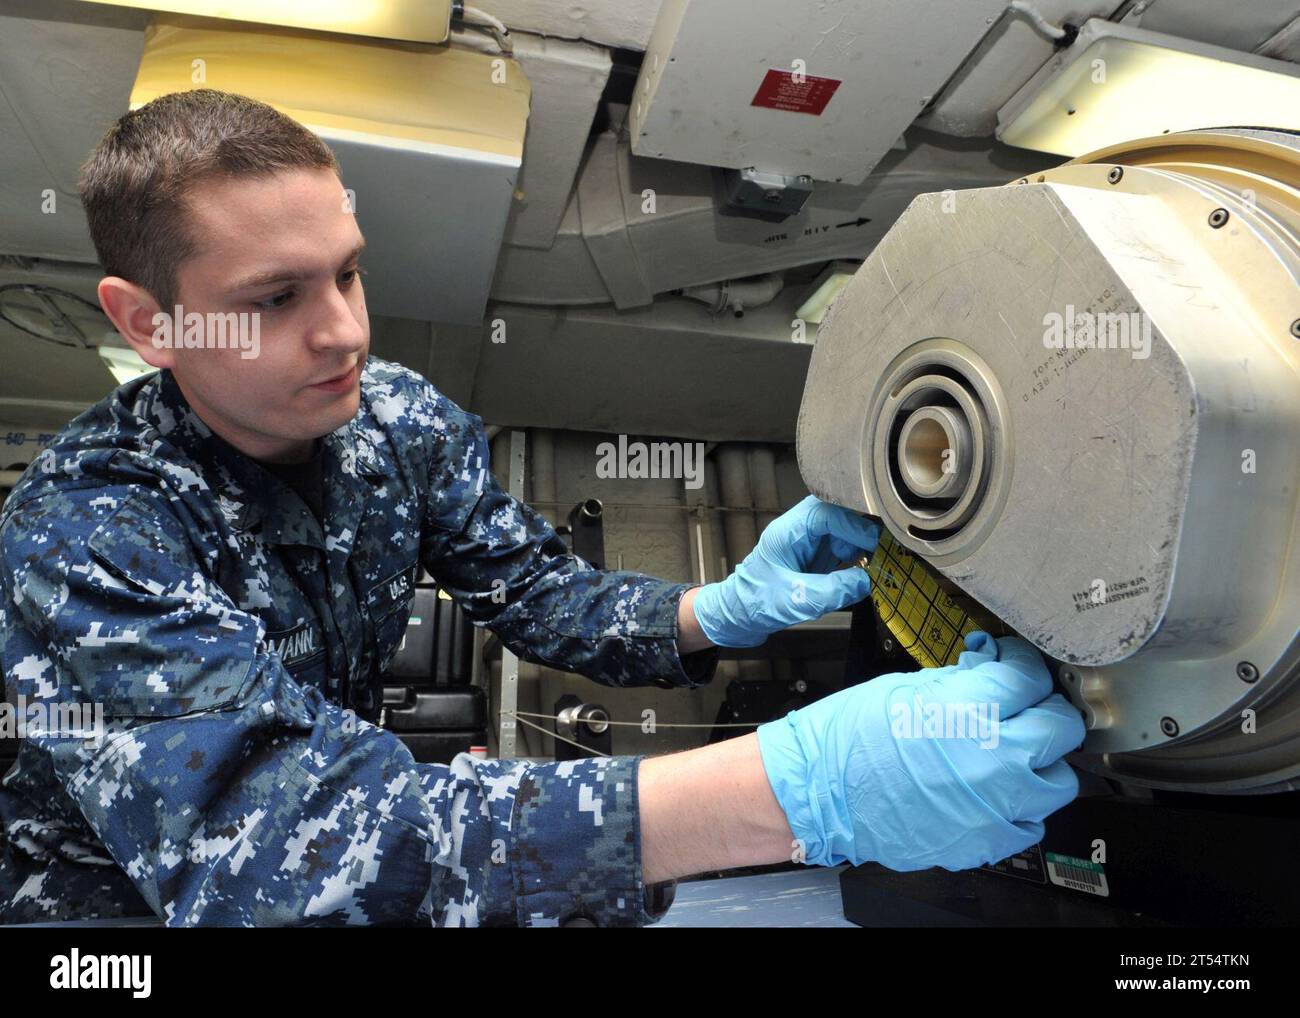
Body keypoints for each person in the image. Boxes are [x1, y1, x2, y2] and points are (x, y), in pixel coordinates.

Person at [0, 89, 1083, 926]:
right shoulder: (86, 531)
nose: (345, 334)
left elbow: (535, 591)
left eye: (349, 274)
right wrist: (792, 793)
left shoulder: (393, 421)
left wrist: (713, 611)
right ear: (149, 322)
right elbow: (284, 855)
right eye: (276, 298)